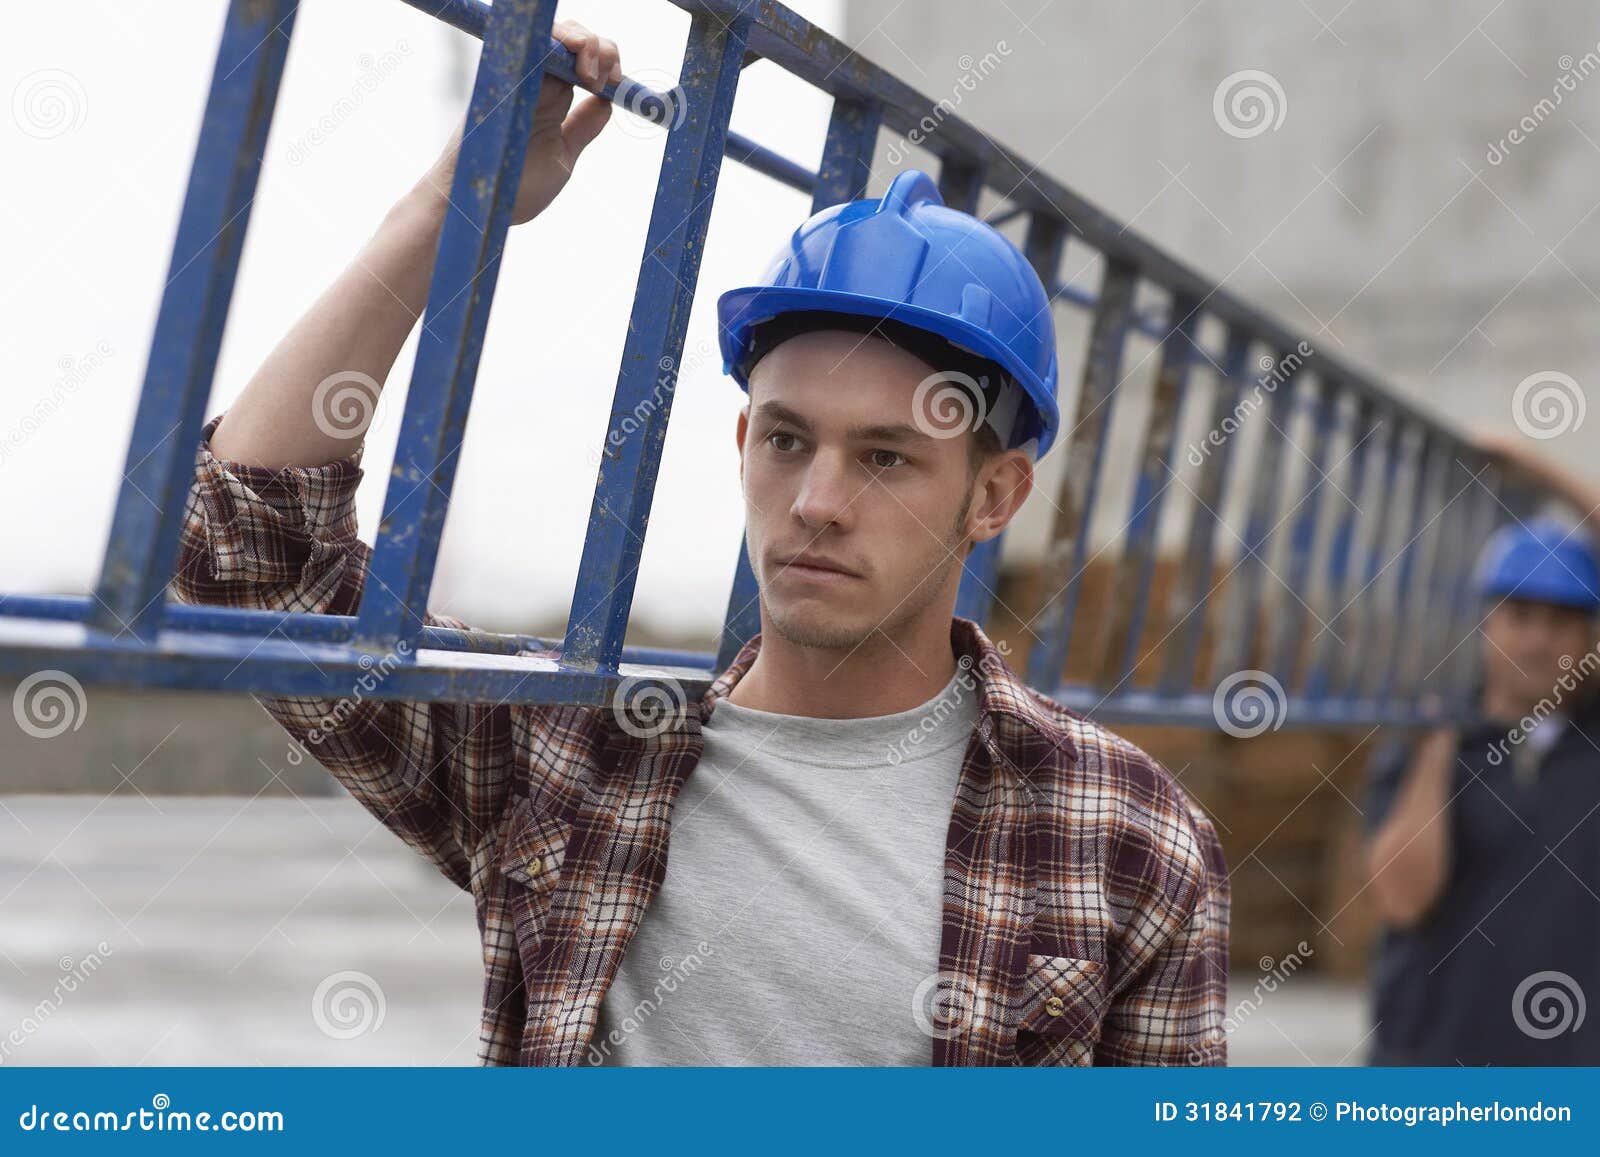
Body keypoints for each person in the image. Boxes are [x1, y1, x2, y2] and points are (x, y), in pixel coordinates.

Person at [170, 19, 1228, 1066]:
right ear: (741, 440)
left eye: (886, 458)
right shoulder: (567, 758)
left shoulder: (1122, 832)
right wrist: (453, 202)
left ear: (993, 494)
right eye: (786, 438)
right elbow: (253, 552)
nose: (815, 499)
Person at [1362, 435, 1600, 1065]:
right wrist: (1440, 750)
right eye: (1520, 615)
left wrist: (1545, 472)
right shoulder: (1429, 743)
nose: (1538, 639)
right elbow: (1402, 899)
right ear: (1487, 623)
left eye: (1562, 620)